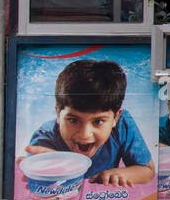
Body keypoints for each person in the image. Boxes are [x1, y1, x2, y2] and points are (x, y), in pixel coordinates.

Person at [22, 60, 155, 186]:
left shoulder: (122, 124)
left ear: (116, 117)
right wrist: (43, 169)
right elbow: (34, 179)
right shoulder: (45, 138)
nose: (85, 135)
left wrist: (120, 173)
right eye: (73, 120)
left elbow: (148, 171)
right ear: (58, 114)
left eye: (98, 121)